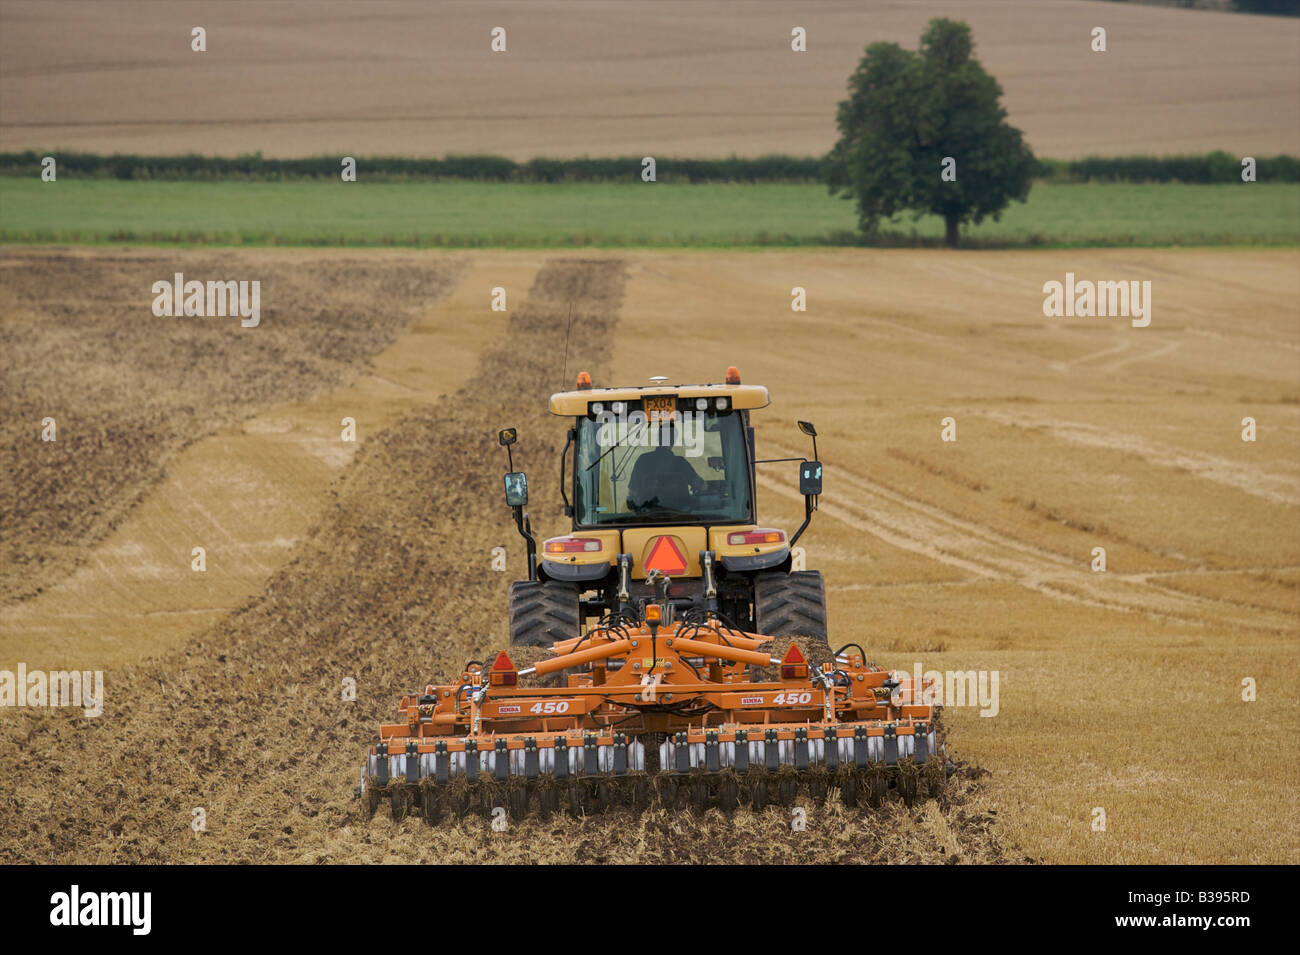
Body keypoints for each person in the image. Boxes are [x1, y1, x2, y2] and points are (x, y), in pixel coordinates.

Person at [626, 419, 701, 512]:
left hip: (647, 517)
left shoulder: (643, 460)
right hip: (680, 517)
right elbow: (699, 485)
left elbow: (633, 492)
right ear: (674, 440)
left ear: (658, 438)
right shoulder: (681, 463)